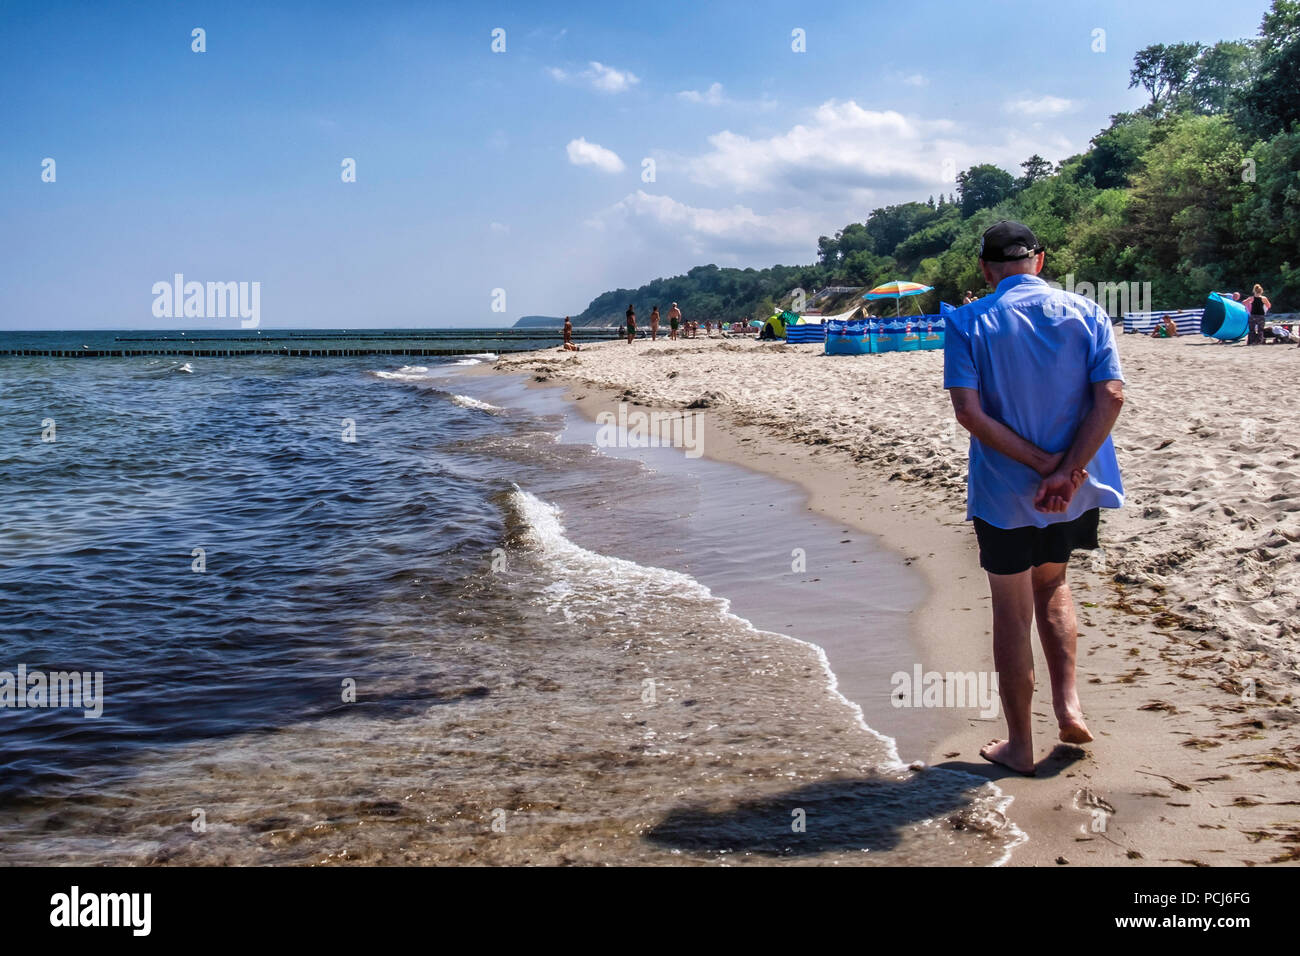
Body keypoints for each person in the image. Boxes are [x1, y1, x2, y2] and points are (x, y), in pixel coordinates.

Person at [944, 220, 1125, 775]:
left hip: (1005, 492)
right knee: (1054, 583)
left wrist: (1045, 468)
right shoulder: (1087, 311)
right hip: (1072, 491)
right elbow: (1112, 395)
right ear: (1039, 262)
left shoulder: (969, 320)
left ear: (985, 268)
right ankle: (1068, 704)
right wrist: (1068, 471)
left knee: (1010, 607)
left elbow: (970, 413)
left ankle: (1020, 745)